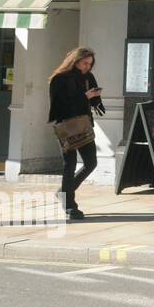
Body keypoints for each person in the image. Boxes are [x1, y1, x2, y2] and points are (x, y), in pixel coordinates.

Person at [47, 47, 106, 220]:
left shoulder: (88, 77)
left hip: (84, 125)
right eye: (84, 63)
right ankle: (69, 205)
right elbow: (58, 105)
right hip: (66, 125)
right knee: (69, 164)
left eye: (90, 64)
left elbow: (91, 100)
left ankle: (64, 192)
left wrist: (96, 98)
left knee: (91, 162)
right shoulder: (59, 79)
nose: (87, 67)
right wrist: (84, 97)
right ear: (75, 61)